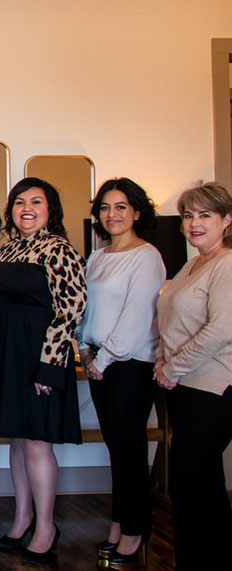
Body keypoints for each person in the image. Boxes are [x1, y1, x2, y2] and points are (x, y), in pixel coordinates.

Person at [0, 177, 86, 564]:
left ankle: (46, 526)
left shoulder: (58, 248)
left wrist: (49, 363)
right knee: (15, 439)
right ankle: (22, 517)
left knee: (37, 443)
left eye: (36, 201)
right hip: (9, 355)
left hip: (41, 356)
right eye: (19, 202)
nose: (26, 208)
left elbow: (71, 310)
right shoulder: (8, 250)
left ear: (50, 209)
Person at [77, 178, 165, 567]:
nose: (112, 215)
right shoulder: (98, 255)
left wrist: (104, 359)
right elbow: (84, 308)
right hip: (98, 360)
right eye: (105, 208)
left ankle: (136, 531)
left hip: (129, 365)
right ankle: (119, 523)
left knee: (129, 450)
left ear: (137, 212)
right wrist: (83, 348)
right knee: (117, 449)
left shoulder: (147, 257)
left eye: (120, 207)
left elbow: (136, 318)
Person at [155, 182, 232, 570]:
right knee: (204, 482)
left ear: (226, 220)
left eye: (205, 215)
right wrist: (161, 359)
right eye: (189, 216)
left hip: (214, 386)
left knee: (189, 481)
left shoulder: (226, 264)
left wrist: (173, 367)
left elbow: (220, 331)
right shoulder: (192, 263)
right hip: (184, 384)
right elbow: (170, 319)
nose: (194, 223)